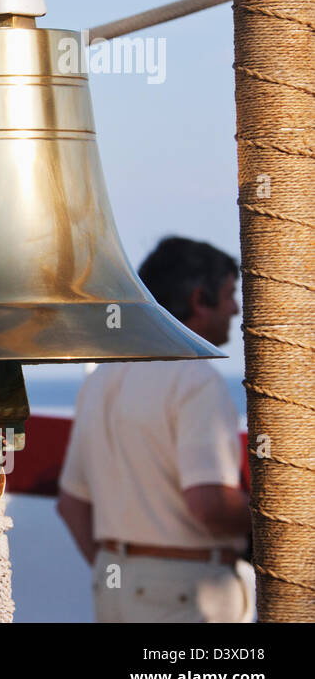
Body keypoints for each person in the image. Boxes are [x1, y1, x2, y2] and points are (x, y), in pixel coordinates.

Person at [56, 236, 253, 622]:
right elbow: (208, 503)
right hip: (186, 591)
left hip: (114, 584)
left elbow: (71, 504)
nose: (236, 308)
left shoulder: (101, 379)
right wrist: (278, 518)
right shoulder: (196, 380)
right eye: (230, 293)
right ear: (199, 299)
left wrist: (125, 568)